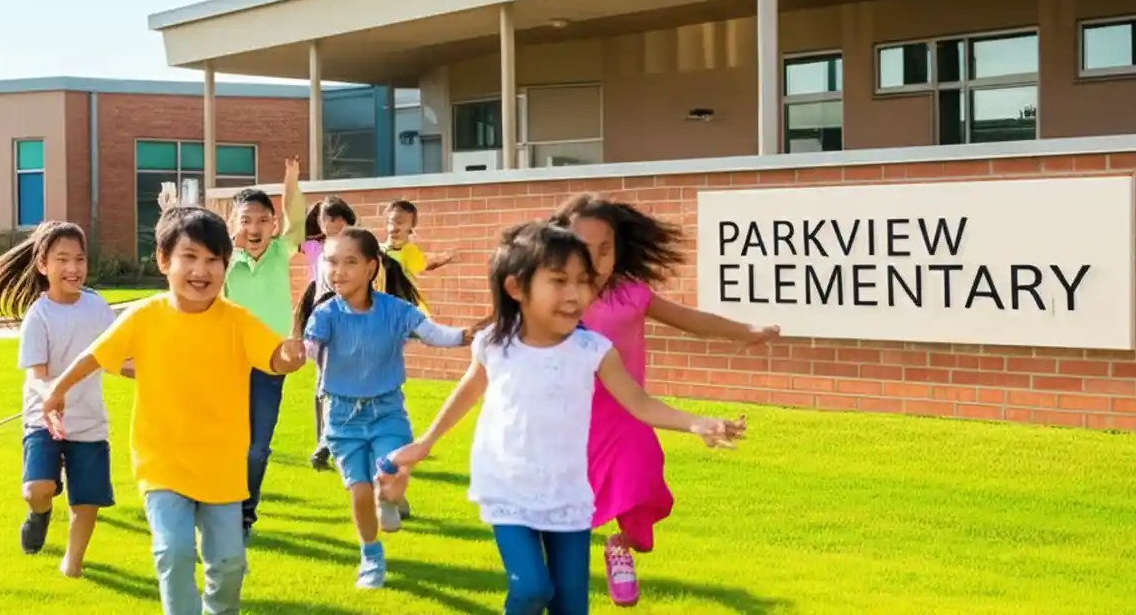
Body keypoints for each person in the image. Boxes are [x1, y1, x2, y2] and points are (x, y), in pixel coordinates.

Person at [385, 222, 745, 615]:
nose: (575, 295)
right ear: (516, 288)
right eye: (559, 281)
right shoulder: (495, 344)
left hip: (569, 492)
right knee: (532, 590)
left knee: (571, 605)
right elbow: (468, 392)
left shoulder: (593, 349)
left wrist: (695, 422)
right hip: (508, 489)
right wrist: (426, 442)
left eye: (582, 281)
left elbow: (638, 403)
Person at [40, 207, 306, 615]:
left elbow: (275, 358)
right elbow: (95, 355)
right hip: (161, 460)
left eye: (213, 260)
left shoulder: (236, 321)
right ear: (164, 260)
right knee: (174, 551)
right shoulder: (145, 316)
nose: (201, 270)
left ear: (225, 265)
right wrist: (57, 391)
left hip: (221, 465)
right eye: (190, 257)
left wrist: (291, 355)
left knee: (229, 564)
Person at [551, 193, 779, 607]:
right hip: (572, 420)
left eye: (606, 249)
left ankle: (619, 545)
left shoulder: (633, 294)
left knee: (644, 500)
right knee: (574, 512)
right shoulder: (556, 297)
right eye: (586, 250)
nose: (597, 260)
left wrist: (746, 330)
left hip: (630, 411)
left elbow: (692, 320)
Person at [301, 227, 471, 589]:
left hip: (387, 411)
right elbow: (310, 348)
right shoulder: (326, 314)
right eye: (331, 262)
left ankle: (390, 496)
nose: (338, 271)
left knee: (392, 471)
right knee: (359, 492)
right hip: (343, 418)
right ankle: (371, 556)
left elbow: (433, 334)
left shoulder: (395, 310)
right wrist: (295, 353)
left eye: (350, 262)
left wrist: (464, 337)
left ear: (371, 268)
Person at [0, 220, 128, 578]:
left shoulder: (97, 307)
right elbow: (37, 375)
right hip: (43, 420)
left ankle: (72, 566)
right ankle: (40, 512)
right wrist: (51, 398)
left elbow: (116, 357)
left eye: (79, 259)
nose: (73, 268)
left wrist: (154, 370)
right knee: (37, 489)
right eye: (62, 260)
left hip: (89, 421)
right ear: (43, 265)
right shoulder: (38, 316)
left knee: (87, 499)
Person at [223, 158, 306, 539]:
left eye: (261, 221)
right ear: (233, 225)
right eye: (245, 220)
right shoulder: (222, 263)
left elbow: (296, 217)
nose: (254, 229)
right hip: (227, 364)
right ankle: (216, 506)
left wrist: (289, 180)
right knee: (225, 442)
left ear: (272, 225)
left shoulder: (280, 252)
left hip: (270, 365)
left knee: (257, 448)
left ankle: (244, 514)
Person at [304, 195, 358, 471]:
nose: (321, 224)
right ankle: (324, 442)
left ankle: (332, 440)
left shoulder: (357, 249)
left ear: (339, 221)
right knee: (324, 381)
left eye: (326, 218)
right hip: (326, 317)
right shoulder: (319, 250)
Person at [381, 199, 456, 312]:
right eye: (391, 222)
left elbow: (426, 263)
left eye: (400, 222)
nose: (394, 227)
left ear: (411, 226)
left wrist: (445, 258)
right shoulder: (377, 250)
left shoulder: (409, 251)